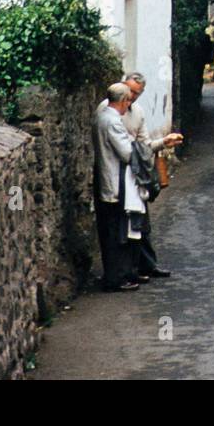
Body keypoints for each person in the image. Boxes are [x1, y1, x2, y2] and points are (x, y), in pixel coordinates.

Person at [121, 72, 183, 280]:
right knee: (125, 223)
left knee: (142, 220)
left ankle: (147, 265)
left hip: (137, 171)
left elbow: (145, 142)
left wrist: (164, 141)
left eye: (136, 93)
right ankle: (131, 269)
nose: (131, 97)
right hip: (120, 171)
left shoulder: (137, 111)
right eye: (129, 91)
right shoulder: (110, 110)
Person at [90, 82, 140, 292]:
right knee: (115, 232)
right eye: (129, 100)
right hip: (114, 183)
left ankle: (114, 276)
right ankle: (116, 278)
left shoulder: (100, 117)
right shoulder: (113, 121)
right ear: (123, 101)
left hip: (104, 178)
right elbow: (127, 153)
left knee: (108, 231)